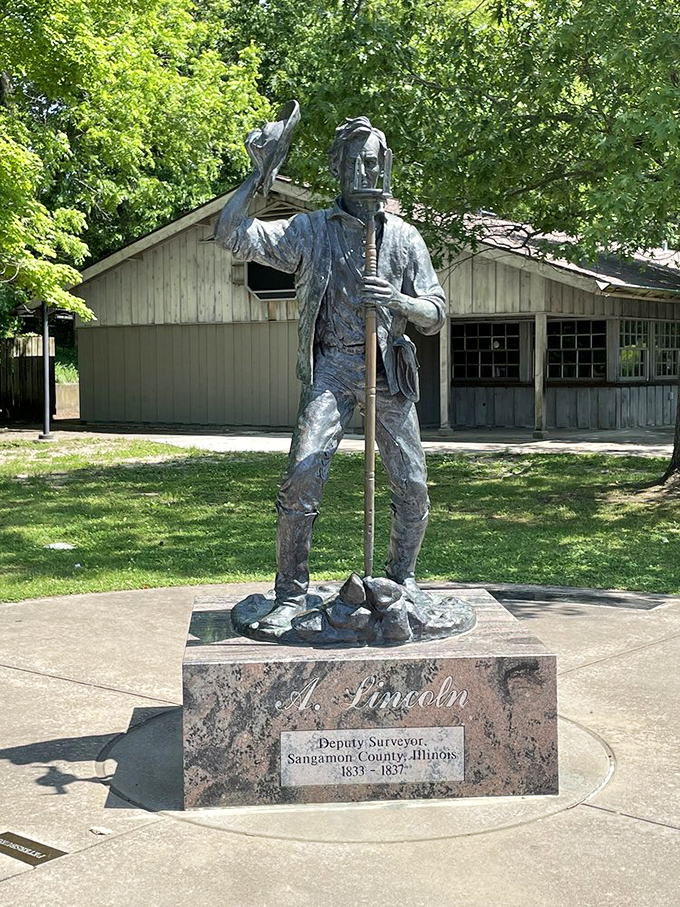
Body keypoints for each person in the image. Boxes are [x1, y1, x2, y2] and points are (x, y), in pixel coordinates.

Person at [215, 115, 445, 631]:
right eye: (358, 159)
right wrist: (259, 176)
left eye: (376, 159)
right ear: (338, 166)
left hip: (387, 369)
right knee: (301, 475)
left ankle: (401, 583)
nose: (369, 168)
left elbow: (435, 312)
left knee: (413, 484)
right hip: (334, 366)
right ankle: (291, 591)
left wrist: (399, 298)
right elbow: (231, 233)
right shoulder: (311, 229)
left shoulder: (406, 239)